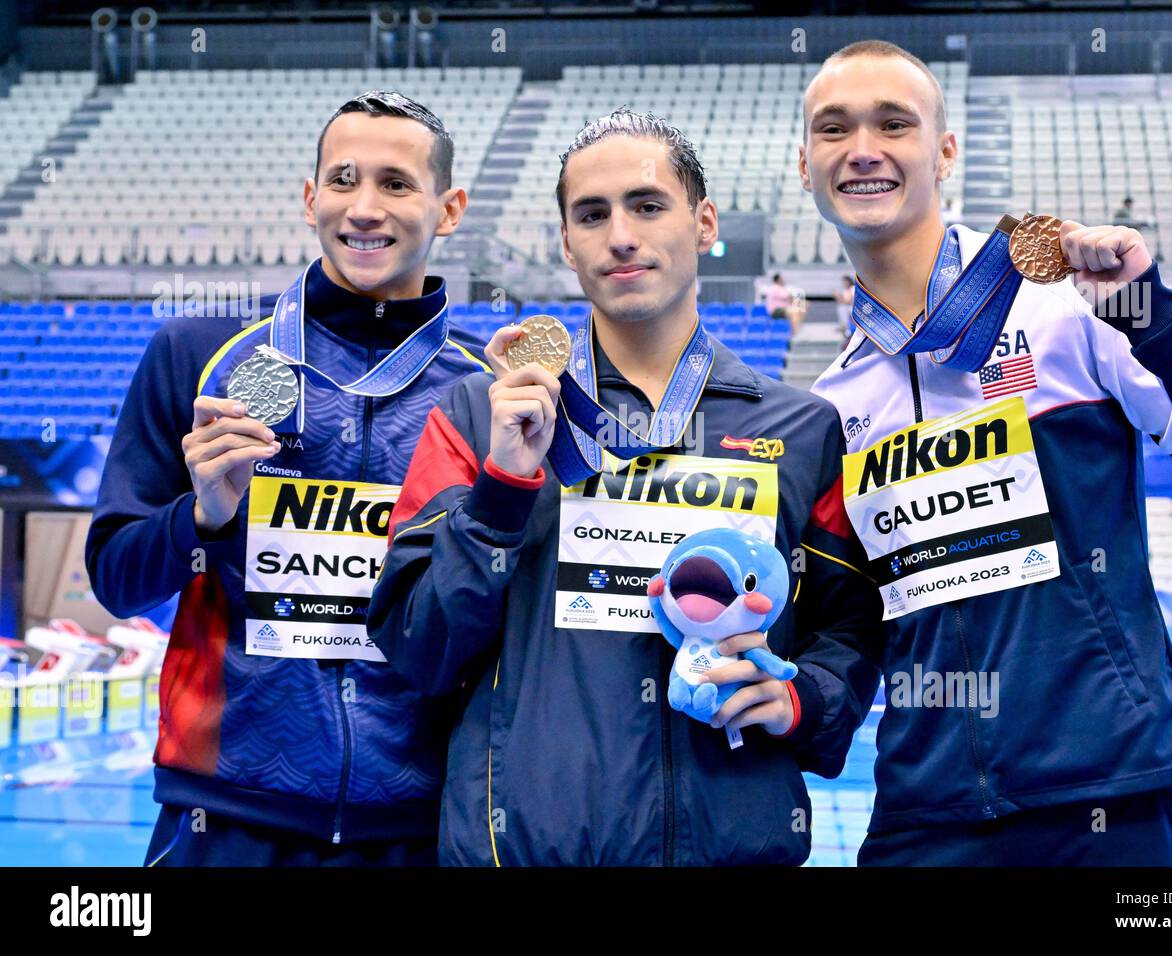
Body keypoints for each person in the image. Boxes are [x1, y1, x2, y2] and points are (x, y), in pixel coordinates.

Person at [798, 40, 1172, 866]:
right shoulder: (829, 404)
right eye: (833, 129)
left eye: (895, 123)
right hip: (924, 812)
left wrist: (1150, 310)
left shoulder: (1071, 306)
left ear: (945, 150)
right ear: (805, 163)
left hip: (1106, 799)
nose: (863, 148)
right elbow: (852, 628)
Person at [367, 108, 879, 866]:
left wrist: (804, 698)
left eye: (647, 205)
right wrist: (504, 486)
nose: (621, 235)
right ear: (567, 241)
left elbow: (851, 626)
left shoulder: (801, 429)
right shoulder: (478, 415)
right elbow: (418, 644)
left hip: (733, 848)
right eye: (592, 214)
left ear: (704, 223)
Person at [86, 91, 486, 866]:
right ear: (310, 200)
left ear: (449, 208)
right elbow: (115, 579)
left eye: (397, 184)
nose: (364, 208)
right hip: (224, 819)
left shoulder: (480, 390)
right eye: (342, 180)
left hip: (419, 825)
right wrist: (200, 519)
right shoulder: (198, 354)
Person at [834, 274, 855, 342]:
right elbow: (841, 301)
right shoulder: (846, 290)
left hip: (854, 308)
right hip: (849, 307)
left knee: (842, 308)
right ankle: (845, 327)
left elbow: (847, 301)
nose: (843, 284)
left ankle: (845, 327)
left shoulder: (852, 288)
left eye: (844, 282)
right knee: (841, 308)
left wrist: (839, 296)